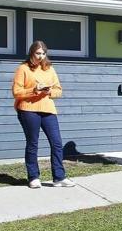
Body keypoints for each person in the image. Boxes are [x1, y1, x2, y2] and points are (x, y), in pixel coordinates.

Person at [12, 41, 75, 189]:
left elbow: (59, 90)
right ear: (32, 53)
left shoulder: (50, 69)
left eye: (43, 53)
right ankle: (33, 177)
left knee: (57, 143)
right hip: (28, 109)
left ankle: (59, 177)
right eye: (38, 53)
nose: (41, 56)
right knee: (33, 143)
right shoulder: (23, 69)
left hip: (48, 109)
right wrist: (34, 90)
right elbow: (16, 92)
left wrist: (49, 92)